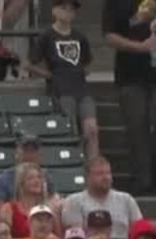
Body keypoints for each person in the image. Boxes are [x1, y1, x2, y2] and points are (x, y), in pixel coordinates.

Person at [102, 0, 156, 194]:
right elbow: (109, 36)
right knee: (136, 127)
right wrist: (140, 47)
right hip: (129, 74)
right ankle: (142, 181)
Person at [28, 0, 101, 162]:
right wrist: (49, 75)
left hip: (81, 88)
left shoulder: (79, 36)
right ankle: (74, 164)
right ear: (54, 11)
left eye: (71, 9)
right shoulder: (47, 36)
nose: (67, 12)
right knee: (70, 129)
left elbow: (88, 61)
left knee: (92, 129)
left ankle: (93, 167)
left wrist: (82, 70)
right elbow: (29, 63)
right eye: (63, 8)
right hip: (61, 89)